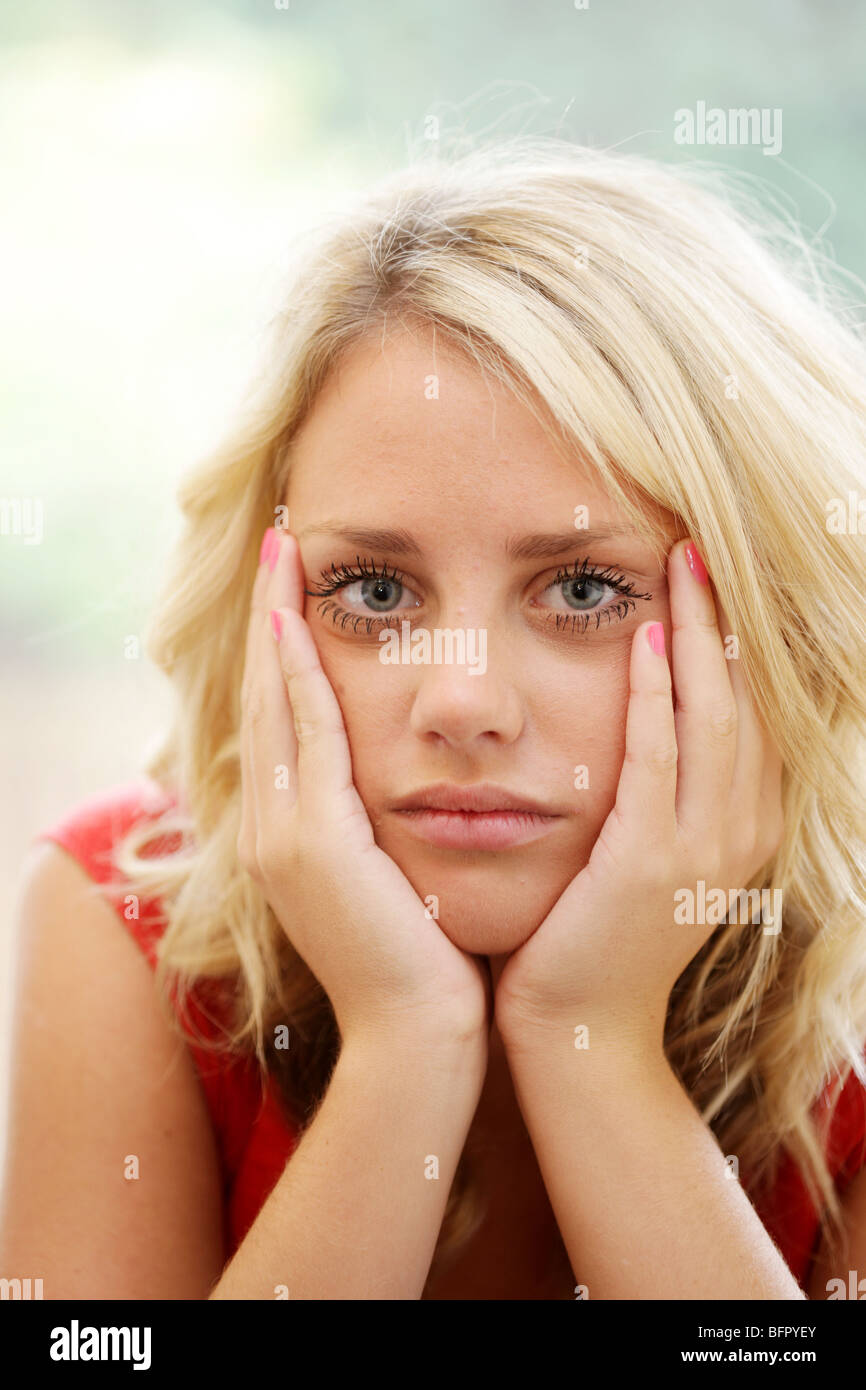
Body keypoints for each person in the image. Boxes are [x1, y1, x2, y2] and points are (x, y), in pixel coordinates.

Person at [2, 137, 865, 1300]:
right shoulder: (122, 916)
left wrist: (589, 1040)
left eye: (580, 590)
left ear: (767, 627)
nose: (460, 701)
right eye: (371, 590)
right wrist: (404, 1045)